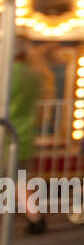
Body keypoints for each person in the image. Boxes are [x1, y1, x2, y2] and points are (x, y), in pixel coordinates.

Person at [8, 40, 44, 234]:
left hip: (5, 134)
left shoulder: (8, 74)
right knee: (20, 180)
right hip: (24, 133)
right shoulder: (32, 75)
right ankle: (35, 217)